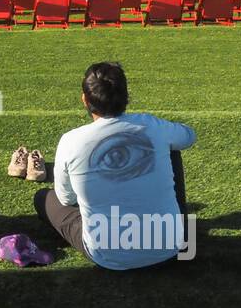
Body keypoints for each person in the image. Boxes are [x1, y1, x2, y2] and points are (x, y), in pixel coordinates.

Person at [34, 62, 195, 270]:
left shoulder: (71, 140)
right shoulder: (151, 125)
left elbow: (66, 199)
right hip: (170, 245)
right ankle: (177, 227)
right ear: (126, 95)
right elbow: (188, 136)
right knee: (171, 146)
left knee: (43, 198)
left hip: (109, 255)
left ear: (85, 99)